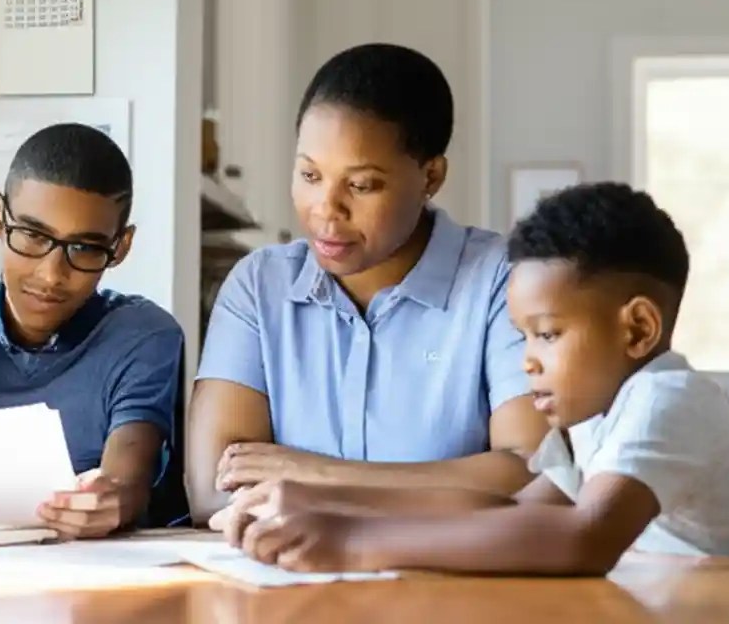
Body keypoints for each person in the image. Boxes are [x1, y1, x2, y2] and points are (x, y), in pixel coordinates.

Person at [222, 182, 729, 574]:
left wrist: (350, 543)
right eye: (523, 335)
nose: (527, 360)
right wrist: (328, 505)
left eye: (548, 334)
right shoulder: (596, 421)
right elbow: (504, 510)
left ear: (637, 329)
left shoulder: (668, 398)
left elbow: (584, 538)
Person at [188, 43, 549, 524]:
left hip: (449, 586)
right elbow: (215, 492)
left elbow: (529, 475)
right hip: (285, 585)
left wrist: (314, 476)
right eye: (310, 174)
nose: (325, 209)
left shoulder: (501, 281)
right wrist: (441, 487)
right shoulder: (259, 287)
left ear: (431, 176)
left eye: (361, 185)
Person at [0, 123, 184, 539]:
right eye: (34, 236)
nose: (52, 275)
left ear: (121, 246)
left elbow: (129, 477)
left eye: (85, 248)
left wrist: (110, 500)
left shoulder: (143, 336)